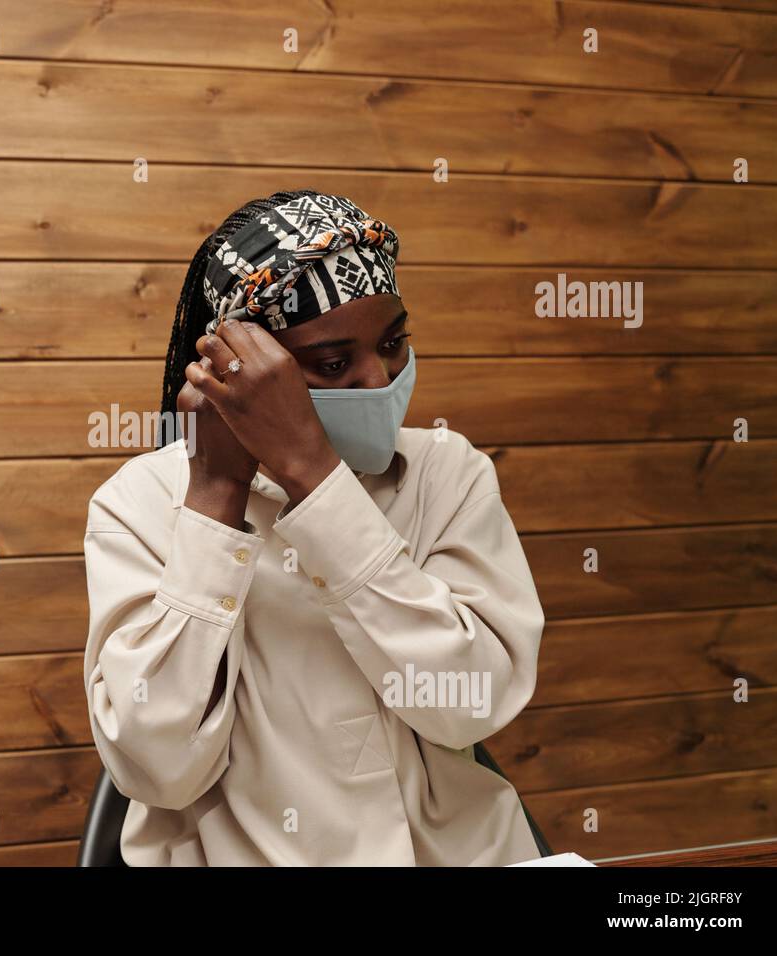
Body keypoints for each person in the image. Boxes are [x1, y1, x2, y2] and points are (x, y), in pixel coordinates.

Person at [82, 189, 546, 865]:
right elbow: (157, 764)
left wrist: (315, 478)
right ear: (235, 369)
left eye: (394, 343)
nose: (378, 378)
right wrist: (216, 491)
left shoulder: (447, 472)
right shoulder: (142, 503)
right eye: (332, 364)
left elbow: (472, 705)